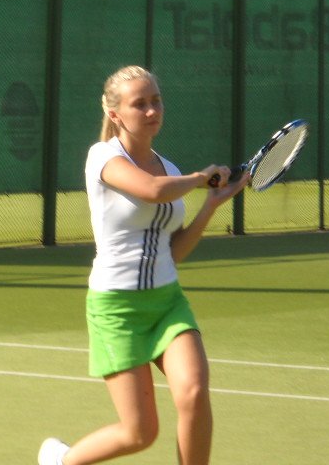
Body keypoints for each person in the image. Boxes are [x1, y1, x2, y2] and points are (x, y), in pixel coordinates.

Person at [39, 65, 249, 465]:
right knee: (140, 432)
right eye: (140, 104)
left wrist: (210, 205)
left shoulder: (170, 170)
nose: (152, 111)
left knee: (193, 392)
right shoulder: (103, 157)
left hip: (167, 303)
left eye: (156, 101)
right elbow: (150, 191)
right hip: (117, 309)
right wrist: (202, 178)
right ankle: (61, 461)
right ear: (116, 115)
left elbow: (173, 250)